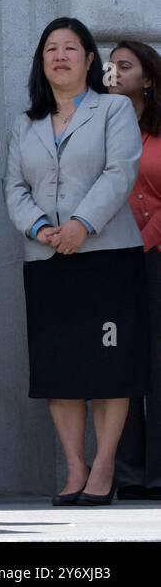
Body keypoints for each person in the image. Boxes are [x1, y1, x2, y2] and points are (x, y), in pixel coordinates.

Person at [3, 18, 147, 506]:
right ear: (41, 63)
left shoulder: (114, 109)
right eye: (50, 49)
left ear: (90, 60)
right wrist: (41, 228)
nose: (60, 56)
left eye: (71, 48)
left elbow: (119, 171)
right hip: (46, 258)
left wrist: (81, 224)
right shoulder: (26, 123)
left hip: (107, 255)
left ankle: (104, 467)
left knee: (110, 366)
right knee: (59, 368)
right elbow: (14, 188)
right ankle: (75, 469)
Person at [111, 40, 161, 500]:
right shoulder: (104, 123)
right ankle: (128, 473)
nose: (114, 73)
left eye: (124, 66)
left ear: (147, 78)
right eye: (110, 67)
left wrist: (144, 240)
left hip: (155, 255)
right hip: (116, 258)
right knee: (123, 363)